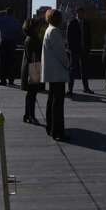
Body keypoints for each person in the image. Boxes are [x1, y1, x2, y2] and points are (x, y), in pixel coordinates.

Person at [41, 8, 71, 141]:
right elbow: (61, 53)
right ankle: (57, 131)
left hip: (51, 72)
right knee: (58, 103)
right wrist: (68, 64)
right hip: (57, 72)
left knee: (52, 101)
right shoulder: (55, 31)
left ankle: (50, 127)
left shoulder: (48, 30)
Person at [0, 7, 24, 86]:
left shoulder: (2, 19)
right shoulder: (16, 21)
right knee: (11, 62)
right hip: (12, 43)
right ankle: (11, 80)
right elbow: (20, 32)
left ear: (6, 12)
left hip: (3, 43)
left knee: (2, 62)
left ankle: (3, 80)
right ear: (13, 13)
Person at [20, 18, 45, 124]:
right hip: (33, 68)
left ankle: (27, 114)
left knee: (30, 94)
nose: (39, 28)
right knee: (32, 93)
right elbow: (34, 56)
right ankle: (31, 116)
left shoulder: (28, 38)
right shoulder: (33, 39)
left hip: (29, 67)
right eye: (37, 26)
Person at [65, 6, 93, 94]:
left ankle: (86, 87)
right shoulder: (72, 23)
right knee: (72, 70)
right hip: (75, 50)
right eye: (79, 13)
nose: (81, 14)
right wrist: (70, 49)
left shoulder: (86, 23)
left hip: (84, 50)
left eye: (82, 13)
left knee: (84, 70)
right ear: (76, 13)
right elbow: (68, 37)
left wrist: (88, 48)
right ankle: (70, 89)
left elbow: (89, 37)